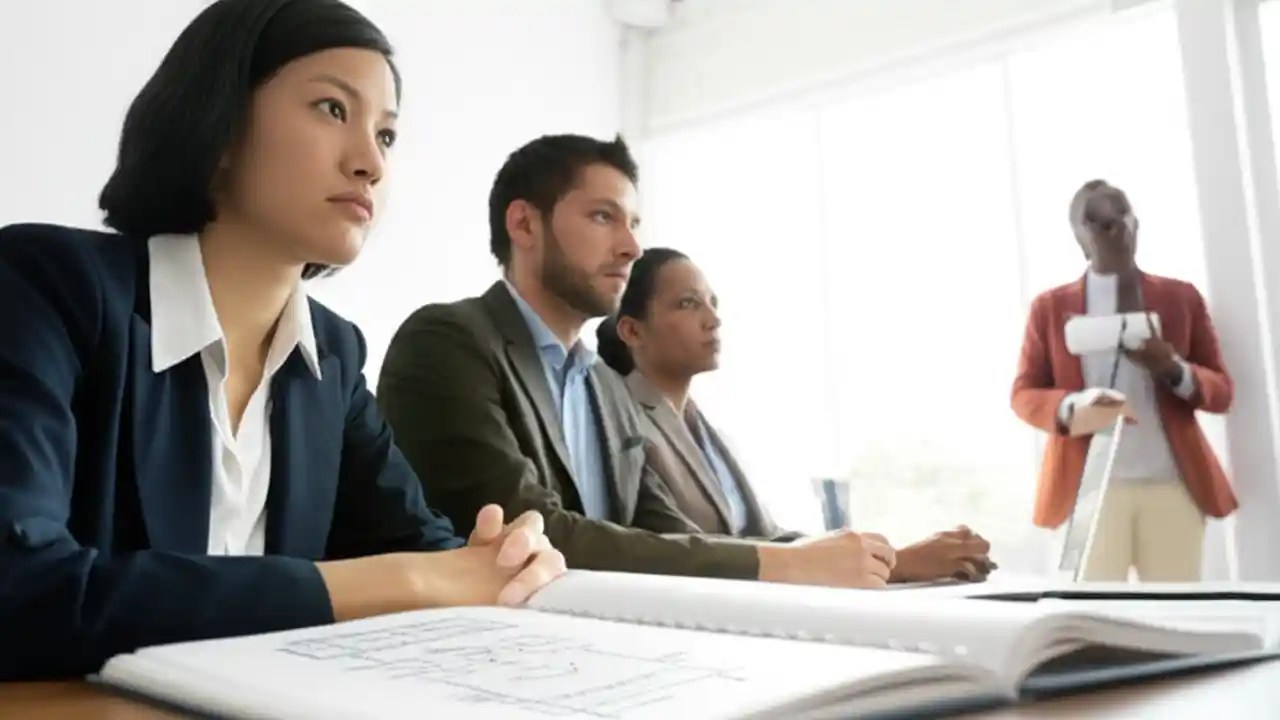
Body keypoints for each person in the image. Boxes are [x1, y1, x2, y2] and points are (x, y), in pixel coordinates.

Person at [0, 0, 563, 681]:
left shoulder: (333, 355)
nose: (370, 164)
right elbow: (21, 592)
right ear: (220, 121)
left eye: (386, 137)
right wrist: (413, 581)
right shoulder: (46, 286)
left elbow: (429, 552)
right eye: (332, 109)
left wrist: (503, 562)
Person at [379, 134, 897, 589]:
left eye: (633, 224)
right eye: (603, 217)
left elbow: (666, 535)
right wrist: (786, 565)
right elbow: (533, 534)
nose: (630, 247)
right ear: (524, 223)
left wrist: (830, 561)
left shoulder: (607, 385)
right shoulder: (448, 341)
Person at [594, 248, 995, 583]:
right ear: (632, 331)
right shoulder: (620, 422)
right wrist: (897, 564)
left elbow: (766, 539)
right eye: (688, 303)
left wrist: (877, 553)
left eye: (712, 303)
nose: (713, 319)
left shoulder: (702, 428)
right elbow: (685, 552)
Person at [1011, 179, 1236, 581]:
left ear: (1137, 224)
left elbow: (1221, 391)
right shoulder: (1050, 308)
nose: (1113, 227)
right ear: (1079, 238)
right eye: (1096, 220)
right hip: (1086, 489)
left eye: (1121, 215)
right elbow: (1024, 393)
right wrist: (1072, 409)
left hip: (1172, 484)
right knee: (1091, 616)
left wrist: (1173, 369)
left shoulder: (1180, 298)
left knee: (1175, 614)